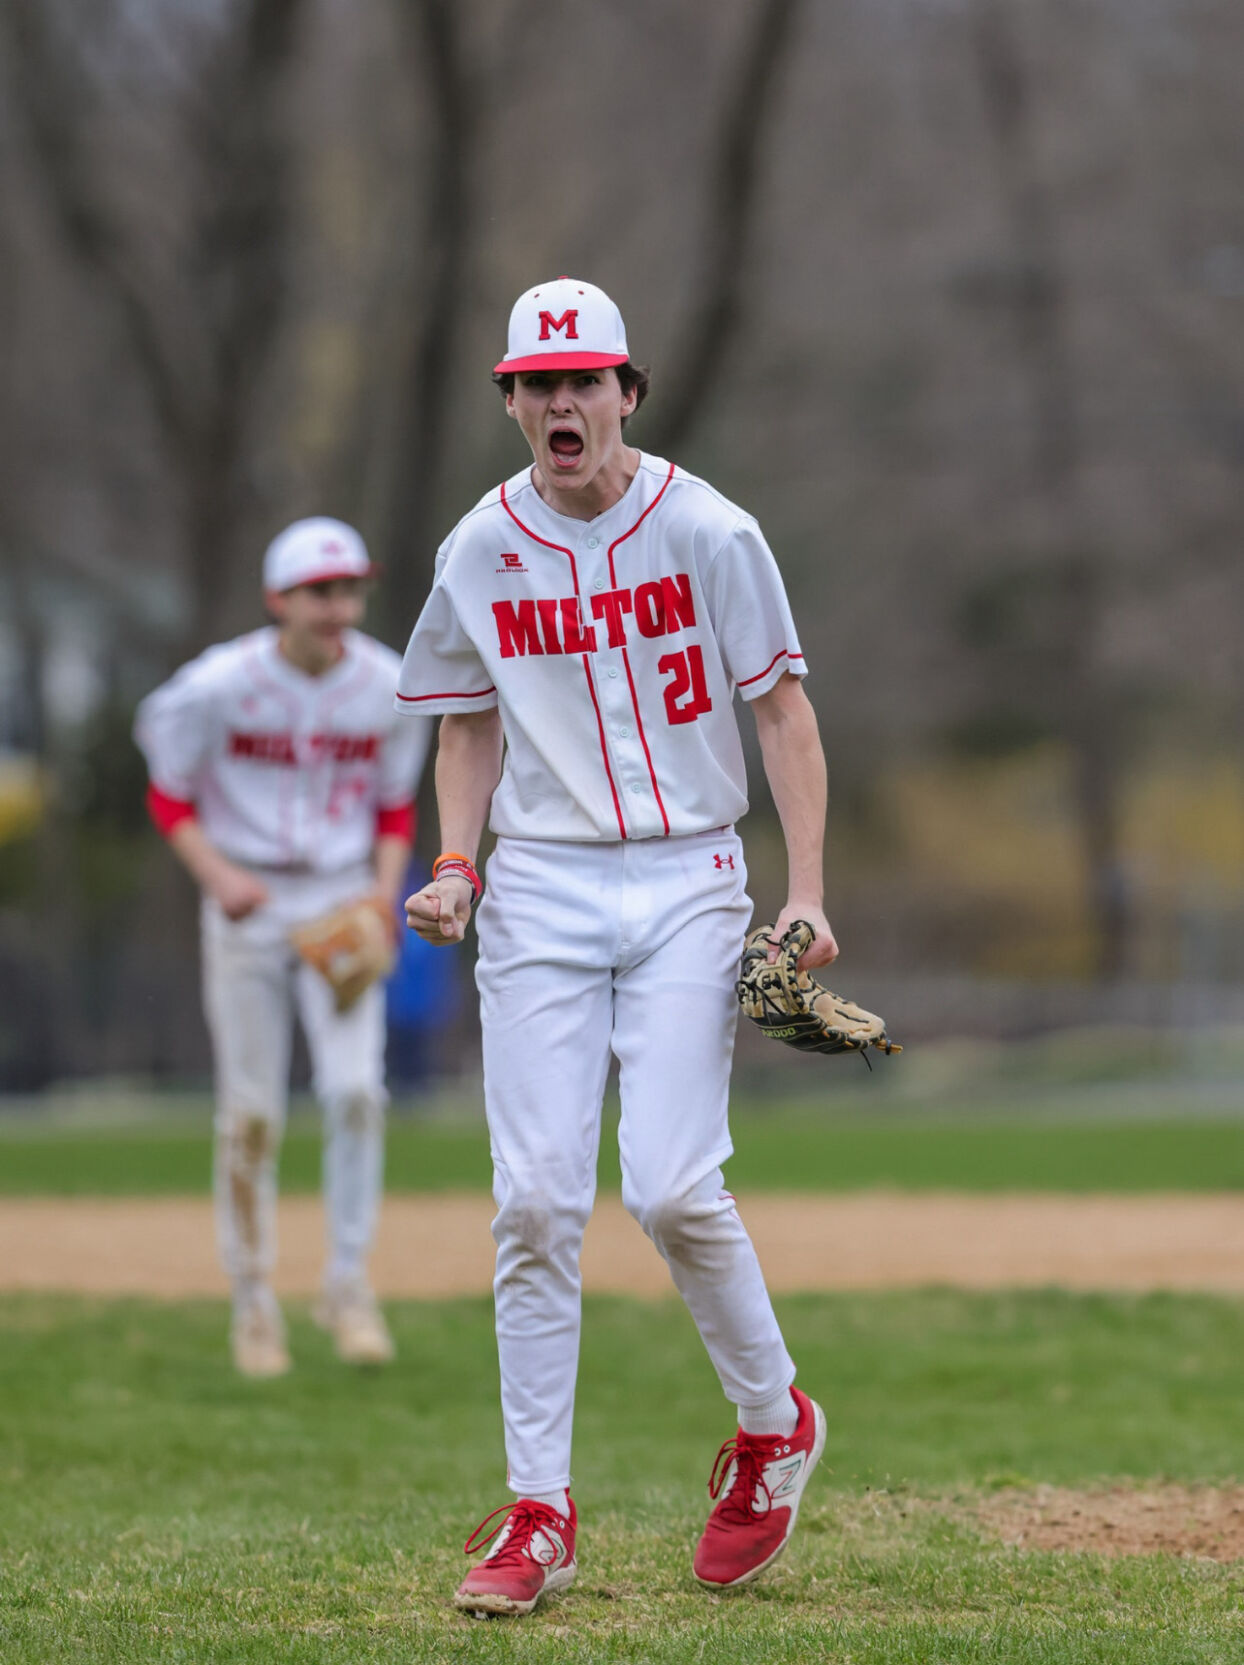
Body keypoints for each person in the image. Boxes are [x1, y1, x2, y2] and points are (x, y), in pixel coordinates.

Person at [397, 277, 839, 1614]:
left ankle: (776, 1425)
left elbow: (784, 717)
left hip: (692, 876)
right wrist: (457, 861)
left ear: (627, 393)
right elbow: (464, 718)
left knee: (667, 1186)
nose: (560, 402)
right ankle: (540, 1511)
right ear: (516, 402)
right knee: (533, 1199)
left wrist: (806, 891)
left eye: (584, 378)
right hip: (537, 885)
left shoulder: (710, 529)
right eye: (537, 383)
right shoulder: (480, 546)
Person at [134, 518, 432, 1377]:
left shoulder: (385, 683)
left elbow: (393, 808)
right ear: (279, 599)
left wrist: (381, 896)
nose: (339, 606)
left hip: (340, 896)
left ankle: (347, 1282)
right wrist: (214, 874)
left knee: (355, 1093)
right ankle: (253, 1298)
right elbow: (167, 791)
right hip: (247, 899)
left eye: (349, 589)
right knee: (253, 1112)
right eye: (319, 592)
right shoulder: (219, 685)